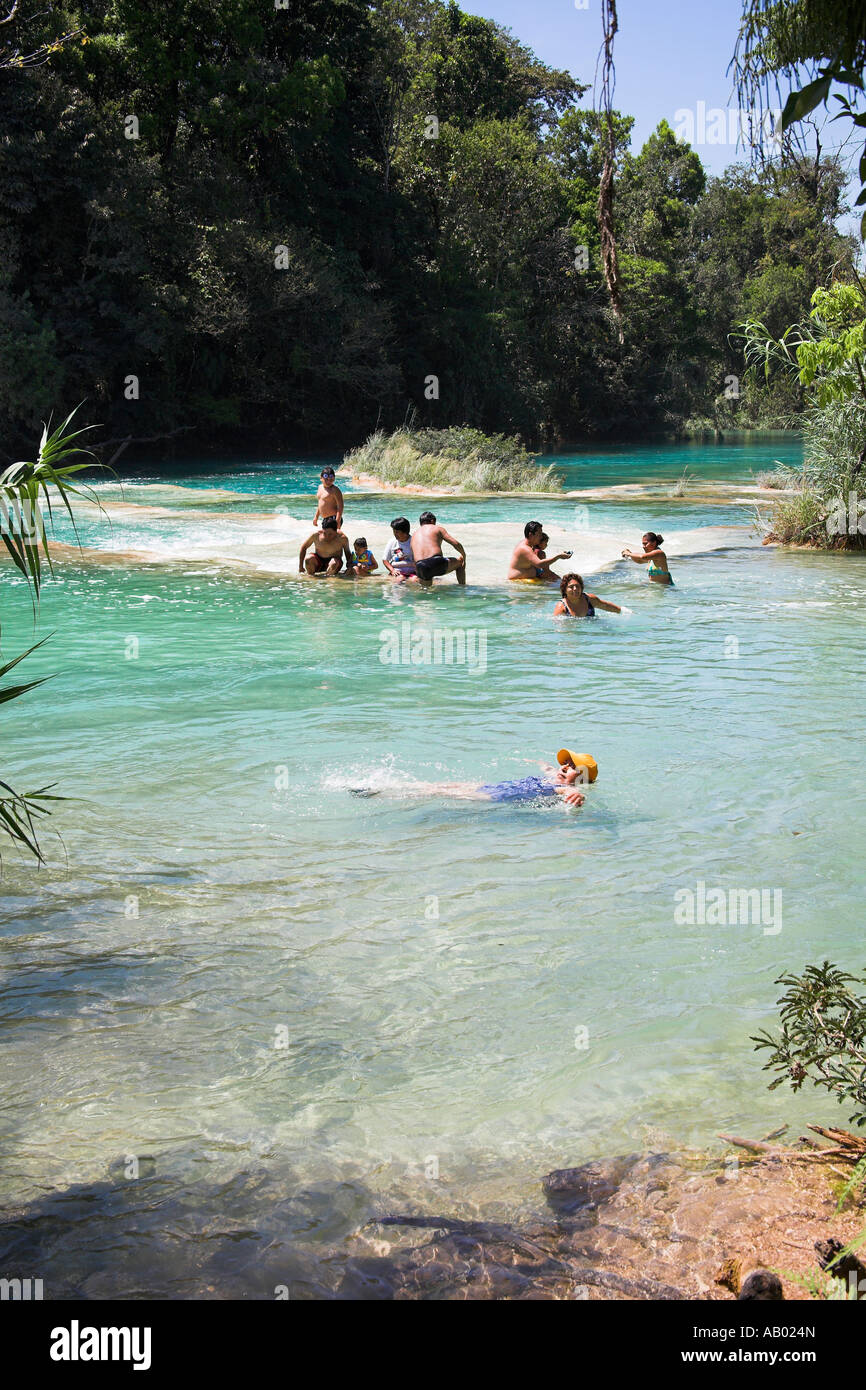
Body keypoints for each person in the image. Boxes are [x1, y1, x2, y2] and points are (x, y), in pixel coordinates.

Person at [349, 750, 594, 807]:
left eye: (572, 767)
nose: (565, 766)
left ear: (581, 777)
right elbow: (548, 766)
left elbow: (570, 794)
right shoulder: (554, 775)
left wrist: (576, 796)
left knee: (436, 792)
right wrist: (537, 762)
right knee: (438, 785)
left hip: (494, 796)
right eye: (565, 762)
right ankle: (380, 787)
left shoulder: (563, 789)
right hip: (493, 787)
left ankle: (381, 791)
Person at [412, 511, 466, 584]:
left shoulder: (414, 534)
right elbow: (455, 543)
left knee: (426, 591)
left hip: (420, 566)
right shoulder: (437, 528)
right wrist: (463, 555)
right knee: (460, 562)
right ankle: (462, 588)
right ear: (432, 521)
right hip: (435, 562)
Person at [553, 572, 622, 618]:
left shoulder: (589, 599)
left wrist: (622, 611)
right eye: (571, 587)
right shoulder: (561, 608)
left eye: (577, 586)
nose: (575, 589)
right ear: (564, 590)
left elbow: (606, 605)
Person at [383, 518, 418, 582]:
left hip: (412, 571)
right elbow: (385, 560)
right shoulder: (392, 542)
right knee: (400, 579)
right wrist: (392, 570)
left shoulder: (414, 541)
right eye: (394, 531)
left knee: (414, 580)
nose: (395, 534)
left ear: (405, 532)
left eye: (397, 532)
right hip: (397, 571)